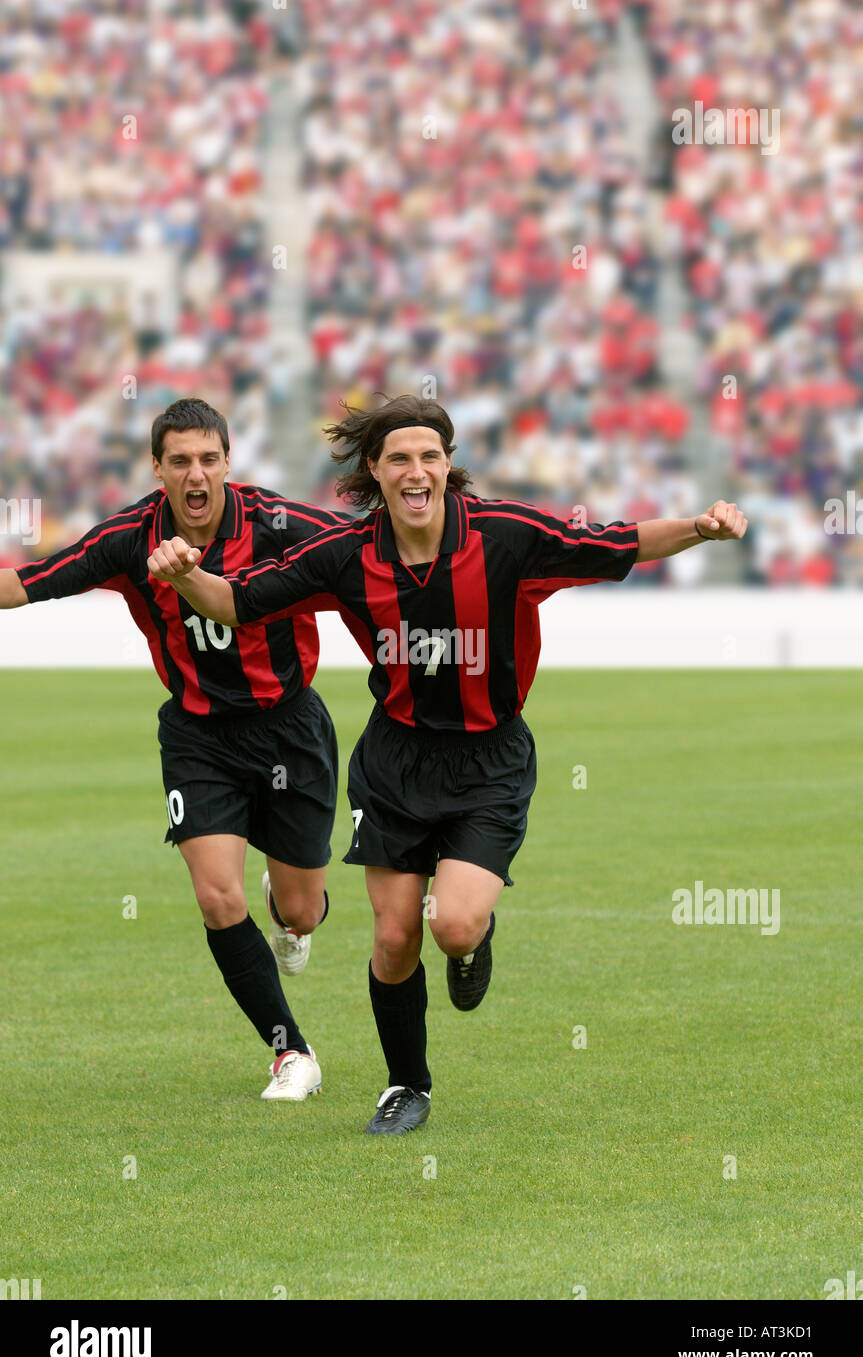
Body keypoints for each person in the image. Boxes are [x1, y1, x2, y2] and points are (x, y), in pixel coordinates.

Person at [146, 393, 748, 1134]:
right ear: (376, 470)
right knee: (394, 937)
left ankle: (474, 938)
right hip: (393, 761)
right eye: (398, 457)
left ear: (447, 466)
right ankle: (406, 1087)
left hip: (488, 761)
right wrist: (182, 577)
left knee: (454, 927)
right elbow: (238, 603)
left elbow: (621, 541)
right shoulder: (346, 555)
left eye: (429, 456)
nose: (416, 470)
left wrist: (698, 526)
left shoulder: (504, 533)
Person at [0, 397, 355, 1102]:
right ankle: (291, 1053)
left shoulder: (279, 524)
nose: (197, 475)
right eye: (180, 461)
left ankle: (289, 913)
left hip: (290, 728)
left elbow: (365, 553)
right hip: (197, 736)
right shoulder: (130, 537)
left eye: (209, 459)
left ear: (228, 462)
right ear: (157, 469)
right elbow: (26, 583)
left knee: (300, 911)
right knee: (216, 896)